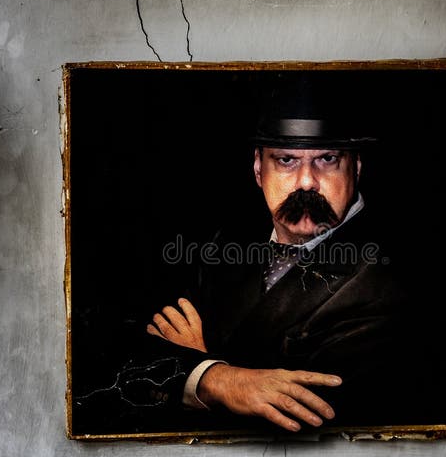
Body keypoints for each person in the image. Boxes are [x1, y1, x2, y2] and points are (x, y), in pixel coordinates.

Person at [144, 88, 409, 433]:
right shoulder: (224, 243)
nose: (306, 181)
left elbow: (309, 428)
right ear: (258, 169)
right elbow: (142, 348)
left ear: (356, 168)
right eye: (286, 160)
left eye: (327, 159)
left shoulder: (388, 282)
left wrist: (203, 372)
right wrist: (223, 378)